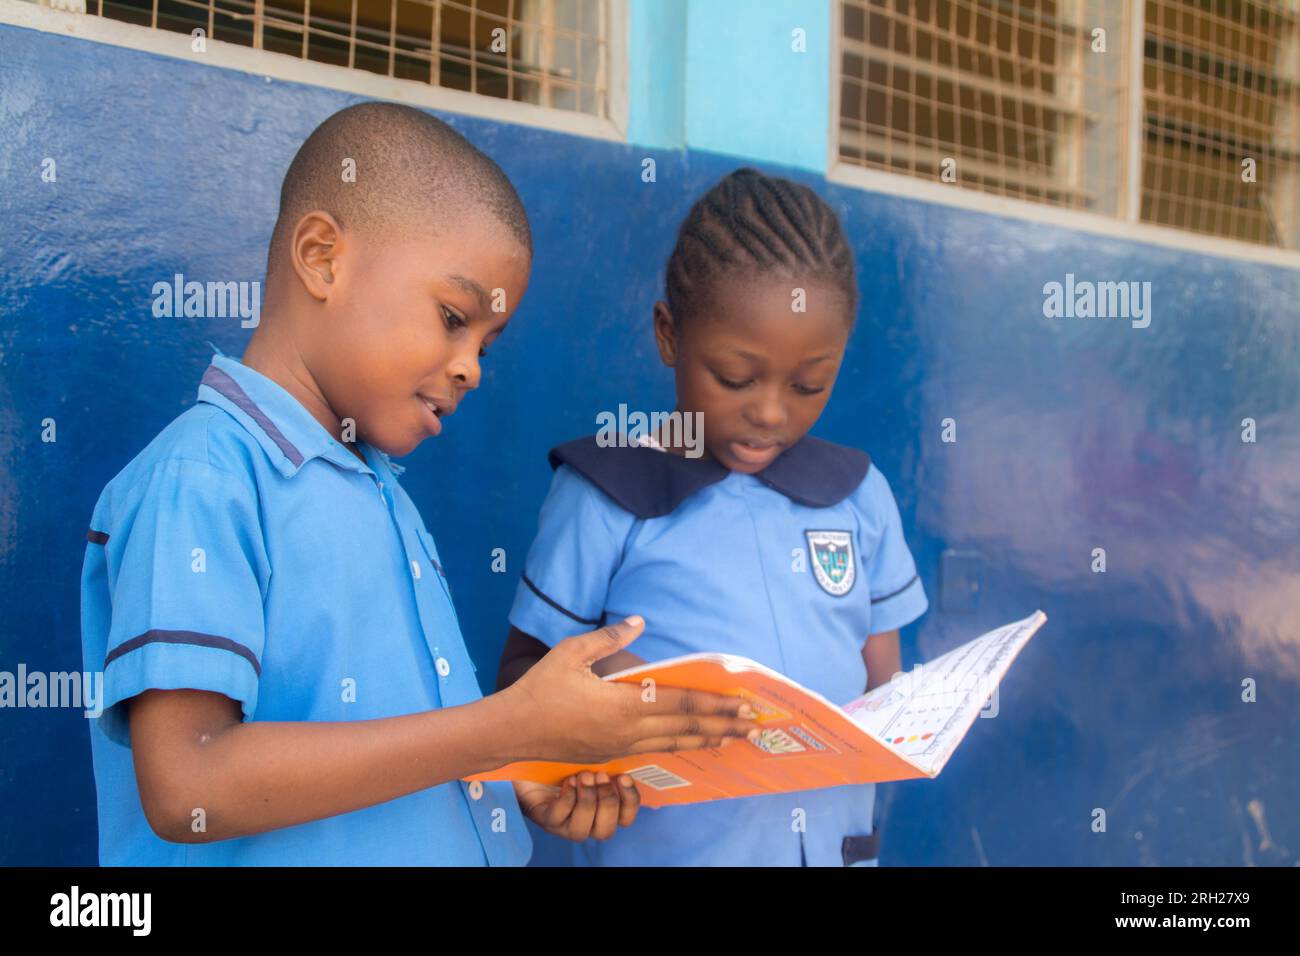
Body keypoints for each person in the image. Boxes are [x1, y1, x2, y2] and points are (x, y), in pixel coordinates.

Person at [79, 102, 758, 866]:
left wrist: (517, 769)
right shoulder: (203, 479)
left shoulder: (376, 488)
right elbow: (189, 785)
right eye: (451, 316)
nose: (471, 366)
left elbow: (408, 749)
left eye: (487, 345)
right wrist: (508, 729)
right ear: (322, 257)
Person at [499, 168, 928, 866]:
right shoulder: (608, 491)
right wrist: (607, 707)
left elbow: (883, 684)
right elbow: (524, 673)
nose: (769, 411)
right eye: (734, 378)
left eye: (808, 384)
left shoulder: (857, 494)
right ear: (670, 335)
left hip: (833, 846)